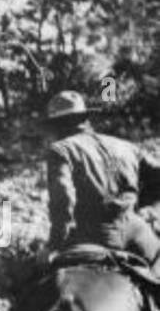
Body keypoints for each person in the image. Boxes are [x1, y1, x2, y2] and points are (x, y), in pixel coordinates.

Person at [43, 90, 160, 263]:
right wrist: (143, 208)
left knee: (35, 278)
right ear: (85, 119)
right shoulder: (125, 145)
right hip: (137, 233)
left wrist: (53, 245)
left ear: (54, 126)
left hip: (94, 237)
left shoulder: (60, 150)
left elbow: (64, 200)